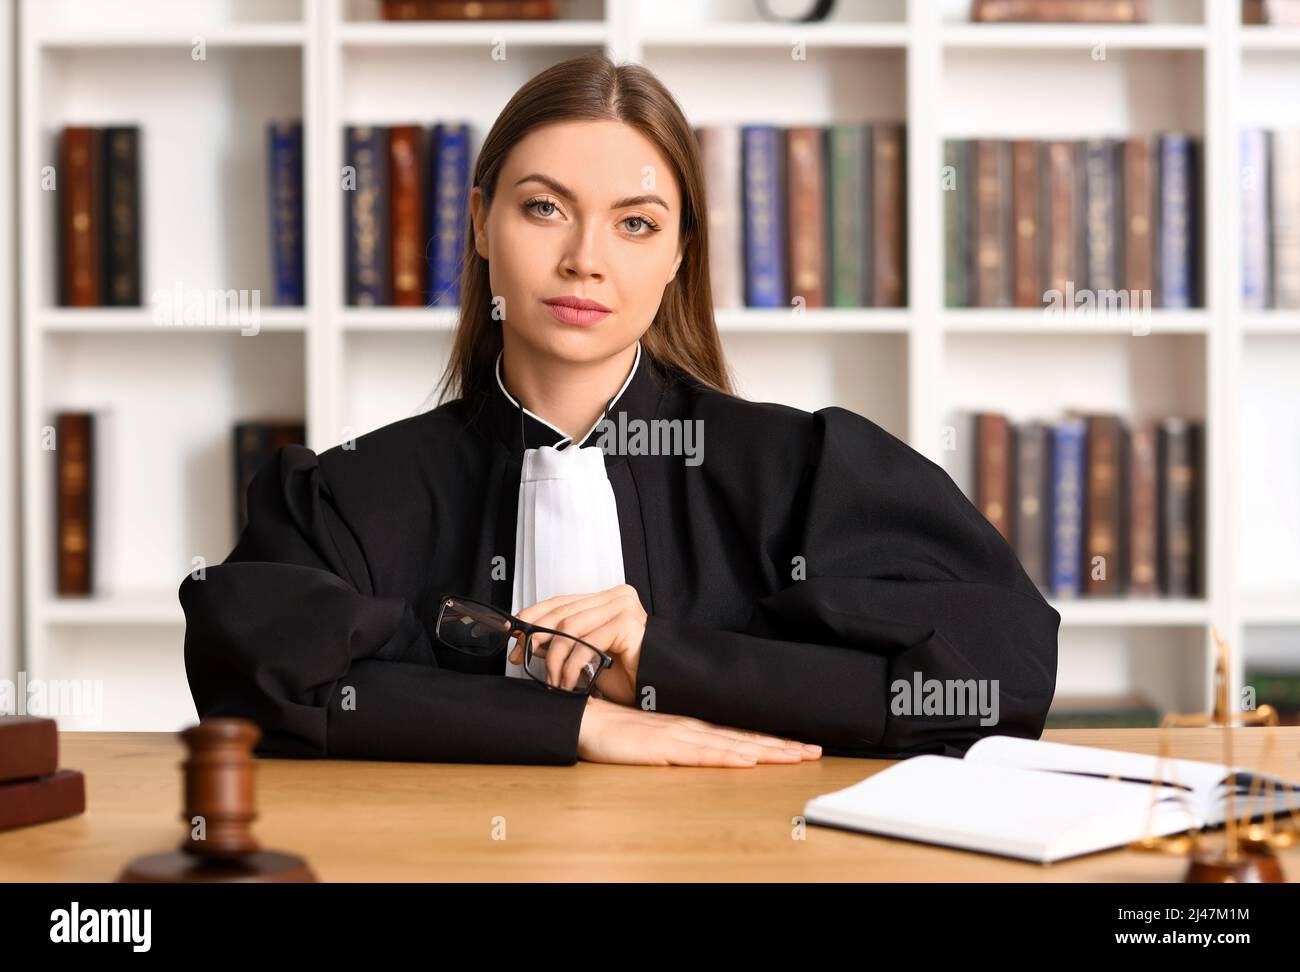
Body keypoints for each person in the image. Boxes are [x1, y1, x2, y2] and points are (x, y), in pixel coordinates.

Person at [180, 53, 1058, 769]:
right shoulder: (353, 491)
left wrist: (665, 662)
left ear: (680, 253)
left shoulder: (802, 471)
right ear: (482, 223)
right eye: (543, 208)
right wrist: (579, 726)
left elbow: (1003, 674)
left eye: (635, 223)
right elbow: (246, 665)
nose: (583, 260)